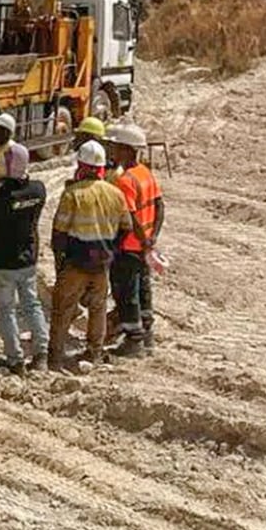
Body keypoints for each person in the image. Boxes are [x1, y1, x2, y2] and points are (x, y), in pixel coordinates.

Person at [48, 140, 131, 368]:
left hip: (76, 263)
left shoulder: (72, 194)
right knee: (98, 309)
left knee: (62, 310)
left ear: (81, 166)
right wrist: (111, 250)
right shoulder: (115, 193)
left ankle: (55, 357)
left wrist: (60, 262)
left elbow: (59, 233)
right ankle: (93, 352)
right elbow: (127, 227)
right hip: (102, 262)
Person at [0, 142, 49, 375]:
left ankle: (15, 359)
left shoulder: (0, 196)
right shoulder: (38, 190)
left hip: (3, 262)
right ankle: (41, 354)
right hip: (28, 259)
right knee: (32, 305)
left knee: (6, 312)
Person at [105, 124, 164, 357]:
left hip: (129, 246)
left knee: (127, 292)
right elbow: (159, 207)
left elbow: (130, 218)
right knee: (143, 289)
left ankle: (134, 341)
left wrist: (142, 238)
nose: (113, 152)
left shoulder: (126, 180)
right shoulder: (146, 173)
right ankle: (147, 334)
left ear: (127, 150)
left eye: (117, 147)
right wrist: (152, 238)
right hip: (144, 246)